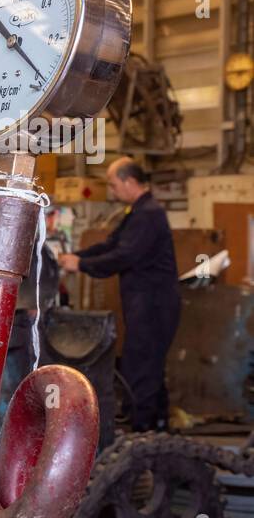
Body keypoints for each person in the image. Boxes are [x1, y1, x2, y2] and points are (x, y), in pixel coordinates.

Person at [57, 158, 179, 431]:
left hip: (154, 305)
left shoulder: (149, 213)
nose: (111, 191)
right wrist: (77, 256)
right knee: (148, 366)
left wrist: (82, 265)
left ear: (129, 182)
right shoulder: (136, 212)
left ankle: (142, 436)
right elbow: (111, 244)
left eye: (113, 185)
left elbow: (126, 255)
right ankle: (157, 431)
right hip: (146, 303)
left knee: (141, 367)